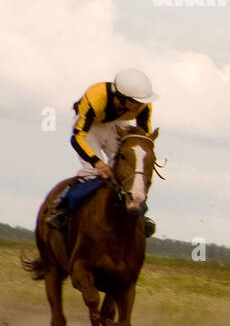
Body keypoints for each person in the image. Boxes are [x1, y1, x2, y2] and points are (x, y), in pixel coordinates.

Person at [47, 69, 158, 237]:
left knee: (127, 167)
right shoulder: (95, 98)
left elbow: (142, 138)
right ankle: (63, 207)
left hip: (118, 125)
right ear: (122, 97)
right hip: (90, 129)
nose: (140, 105)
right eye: (135, 102)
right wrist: (97, 162)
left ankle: (140, 213)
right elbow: (77, 138)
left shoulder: (144, 105)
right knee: (94, 172)